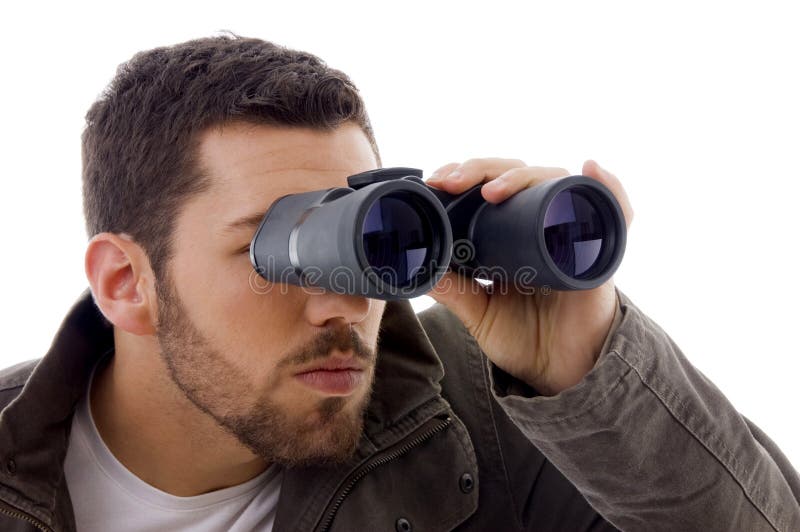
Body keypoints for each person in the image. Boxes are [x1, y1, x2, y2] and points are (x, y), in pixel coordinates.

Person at [0, 35, 797, 532]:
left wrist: (589, 369)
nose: (346, 302)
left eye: (363, 242)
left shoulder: (477, 408)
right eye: (277, 249)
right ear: (125, 281)